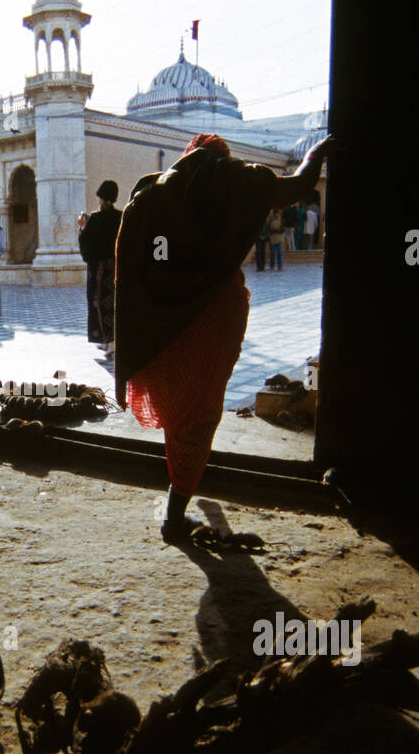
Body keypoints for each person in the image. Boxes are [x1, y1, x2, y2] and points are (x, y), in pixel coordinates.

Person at [114, 131, 337, 542]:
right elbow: (302, 184)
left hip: (166, 322)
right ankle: (174, 514)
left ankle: (184, 481)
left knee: (182, 404)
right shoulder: (240, 183)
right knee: (200, 410)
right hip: (217, 316)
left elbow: (128, 274)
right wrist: (317, 151)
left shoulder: (152, 196)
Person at [78, 180, 123, 356]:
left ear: (102, 198)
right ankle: (110, 340)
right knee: (114, 303)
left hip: (99, 269)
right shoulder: (121, 216)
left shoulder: (95, 218)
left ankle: (109, 341)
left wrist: (82, 227)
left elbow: (86, 242)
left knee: (99, 303)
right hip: (117, 267)